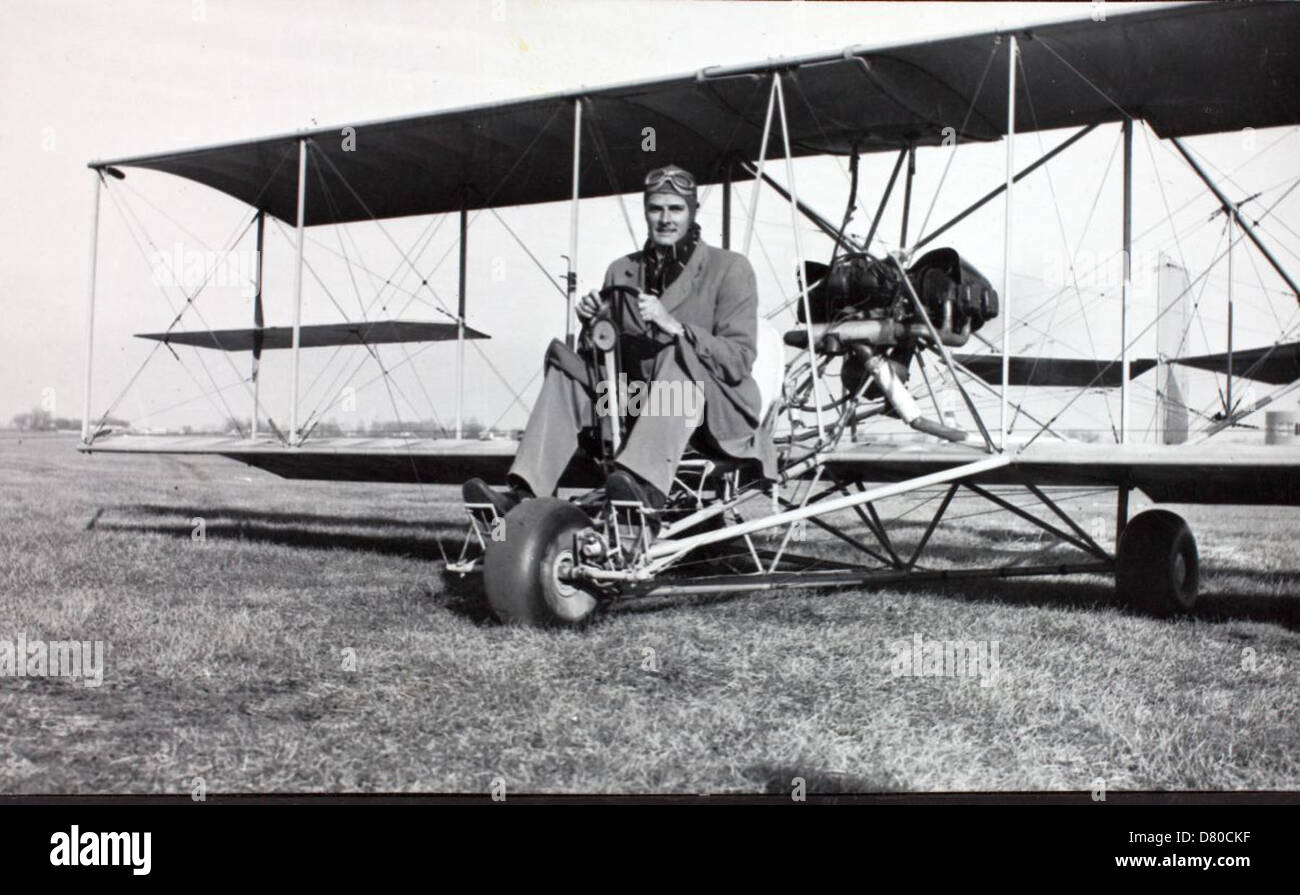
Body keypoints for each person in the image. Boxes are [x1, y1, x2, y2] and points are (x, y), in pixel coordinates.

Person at [463, 164, 776, 533]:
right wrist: (593, 324)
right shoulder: (621, 270)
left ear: (692, 212)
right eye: (656, 208)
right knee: (567, 367)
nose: (665, 219)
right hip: (633, 404)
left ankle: (640, 488)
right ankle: (523, 495)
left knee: (677, 358)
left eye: (675, 209)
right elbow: (604, 357)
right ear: (646, 211)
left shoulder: (731, 268)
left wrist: (675, 327)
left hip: (711, 413)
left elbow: (739, 360)